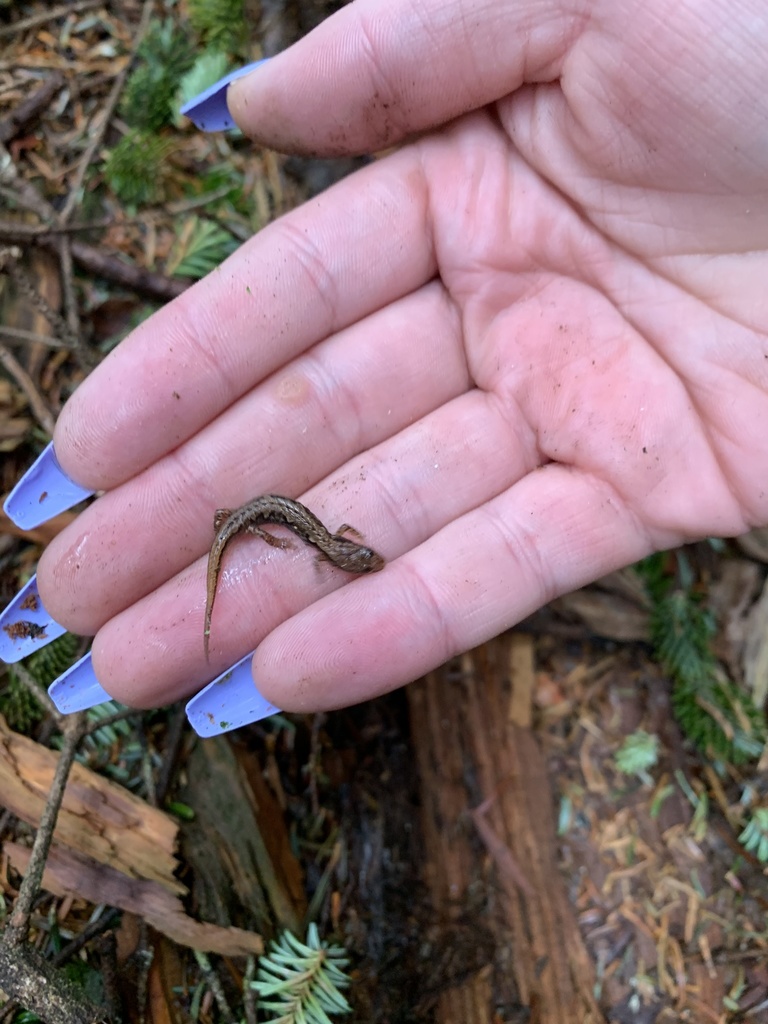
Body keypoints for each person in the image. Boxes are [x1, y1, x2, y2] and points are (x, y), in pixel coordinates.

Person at [36, 0, 768, 712]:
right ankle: (215, 565)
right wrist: (253, 529)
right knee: (230, 522)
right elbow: (327, 536)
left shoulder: (330, 545)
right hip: (249, 518)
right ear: (345, 559)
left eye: (361, 561)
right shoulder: (325, 546)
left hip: (262, 517)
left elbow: (332, 536)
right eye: (361, 561)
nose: (361, 556)